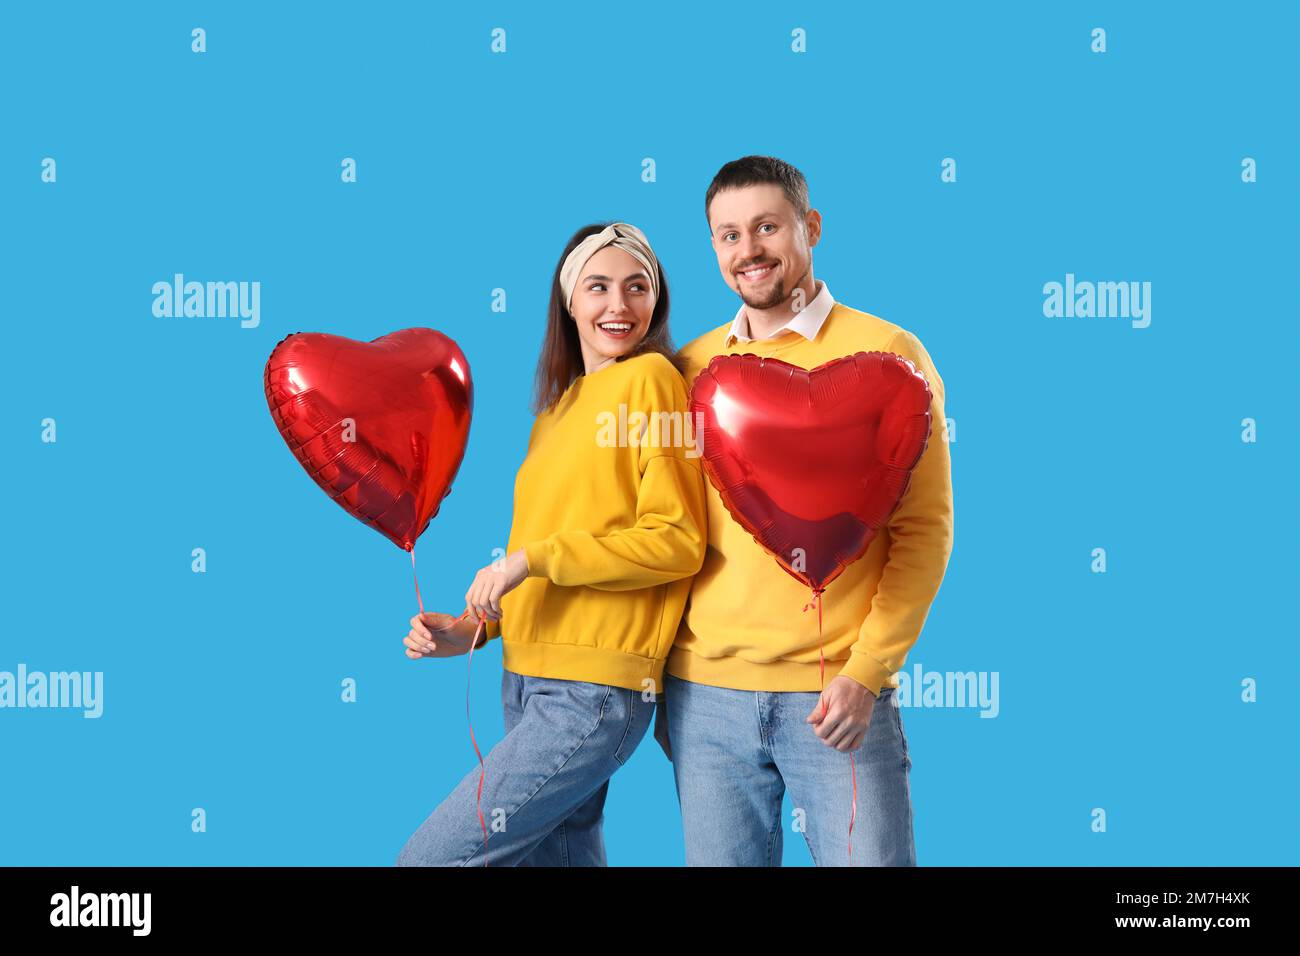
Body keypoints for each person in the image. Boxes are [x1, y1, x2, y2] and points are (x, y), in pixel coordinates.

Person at [657, 156, 954, 866]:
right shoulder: (690, 368)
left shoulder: (890, 353)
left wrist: (868, 670)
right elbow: (658, 531)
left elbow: (924, 531)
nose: (748, 250)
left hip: (839, 698)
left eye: (766, 226)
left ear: (809, 227)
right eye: (728, 235)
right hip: (705, 699)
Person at [396, 221, 707, 866]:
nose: (618, 306)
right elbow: (540, 565)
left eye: (636, 288)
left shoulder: (653, 382)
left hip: (591, 692)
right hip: (526, 680)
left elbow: (676, 541)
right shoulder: (556, 410)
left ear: (657, 301)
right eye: (598, 287)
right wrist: (469, 632)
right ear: (569, 300)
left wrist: (531, 559)